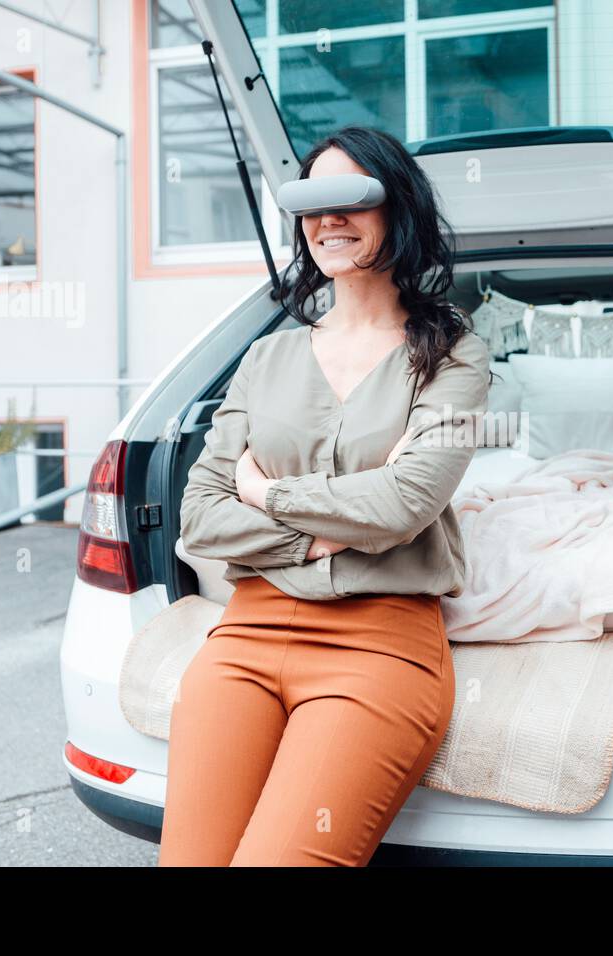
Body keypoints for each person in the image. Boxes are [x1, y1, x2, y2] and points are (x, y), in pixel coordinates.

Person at [157, 125, 490, 867]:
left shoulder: (452, 354)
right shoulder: (266, 356)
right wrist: (323, 532)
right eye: (312, 204)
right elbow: (199, 516)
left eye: (350, 200)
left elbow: (406, 503)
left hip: (380, 646)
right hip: (245, 637)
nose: (327, 220)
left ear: (395, 208)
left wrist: (267, 495)